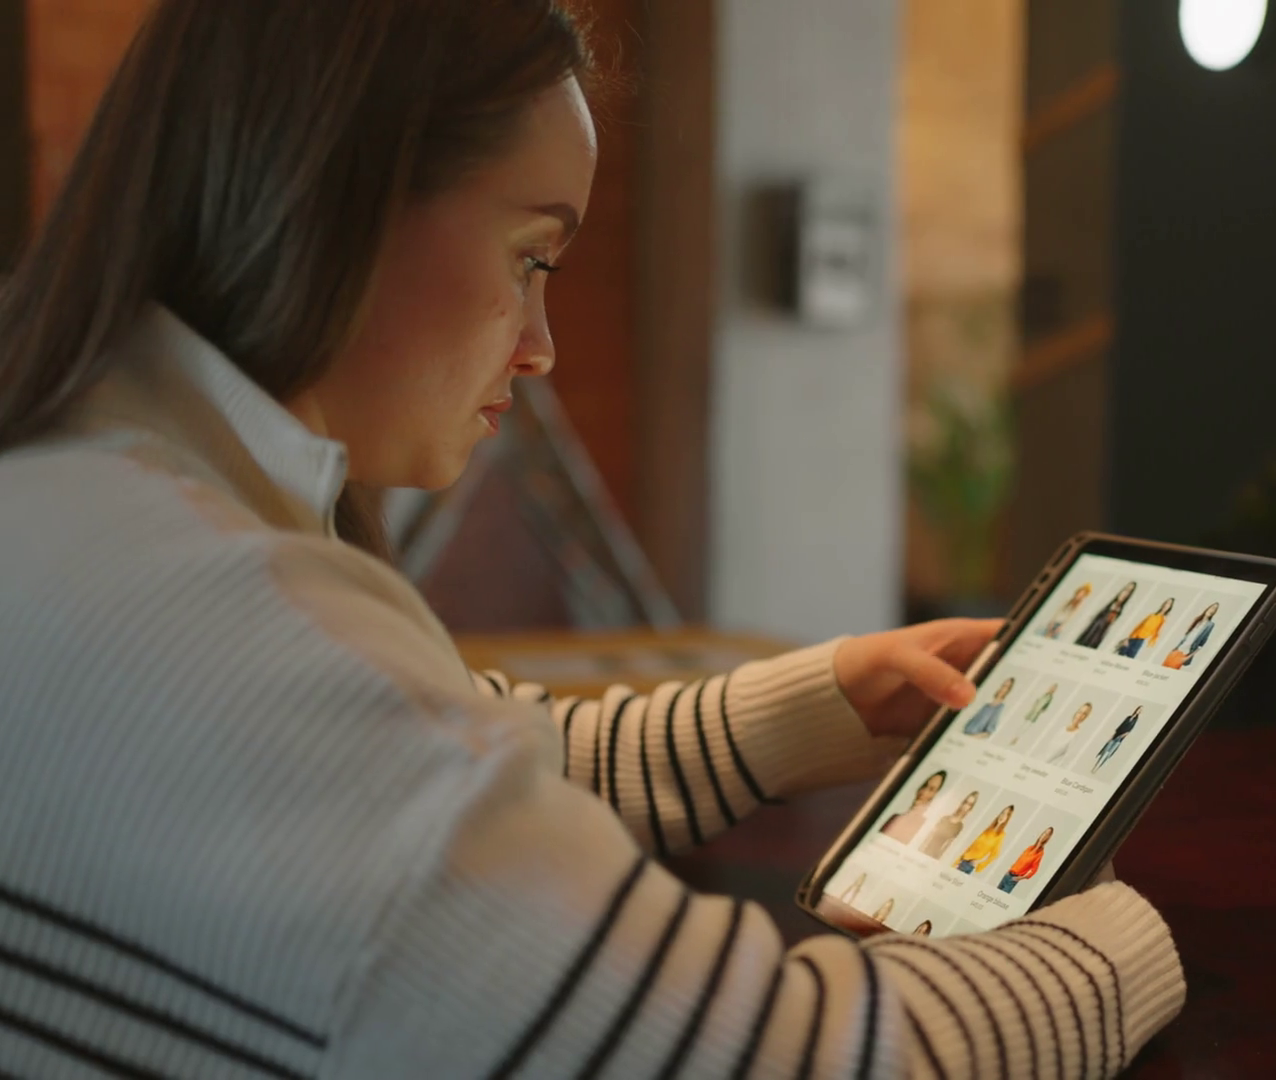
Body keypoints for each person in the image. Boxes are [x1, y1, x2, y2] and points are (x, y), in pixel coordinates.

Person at [0, 2, 1185, 1076]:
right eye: (531, 258)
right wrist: (1123, 932)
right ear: (335, 197)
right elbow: (788, 1057)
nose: (542, 342)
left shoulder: (88, 495)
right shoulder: (232, 621)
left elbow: (466, 764)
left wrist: (823, 700)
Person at [879, 769, 945, 842]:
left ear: (936, 795)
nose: (923, 792)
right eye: (925, 785)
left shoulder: (923, 825)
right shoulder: (897, 814)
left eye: (931, 789)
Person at [955, 806, 1017, 874]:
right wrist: (957, 861)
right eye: (1002, 813)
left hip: (970, 865)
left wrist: (981, 863)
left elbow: (995, 854)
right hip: (963, 860)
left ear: (1007, 818)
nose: (1003, 816)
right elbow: (972, 846)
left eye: (1006, 815)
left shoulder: (1001, 835)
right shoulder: (987, 829)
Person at [918, 790, 979, 860]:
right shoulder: (945, 818)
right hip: (924, 849)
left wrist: (937, 859)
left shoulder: (959, 826)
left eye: (969, 804)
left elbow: (947, 845)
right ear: (962, 803)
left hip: (934, 856)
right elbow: (930, 835)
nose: (965, 806)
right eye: (966, 802)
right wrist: (920, 849)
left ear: (970, 808)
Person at [1075, 581, 1137, 649]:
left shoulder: (1120, 608)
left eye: (1129, 592)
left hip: (1101, 631)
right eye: (1126, 590)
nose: (1125, 594)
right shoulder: (1110, 602)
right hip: (1094, 626)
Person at [1164, 602, 1221, 669]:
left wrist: (1190, 656)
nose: (1212, 610)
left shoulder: (1210, 625)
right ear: (1208, 608)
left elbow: (1202, 643)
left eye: (1215, 610)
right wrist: (1174, 649)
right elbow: (1186, 636)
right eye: (1212, 608)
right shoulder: (1197, 619)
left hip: (1185, 653)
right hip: (1177, 650)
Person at [999, 826, 1054, 893]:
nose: (1044, 835)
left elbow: (1034, 870)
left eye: (1047, 834)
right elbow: (1019, 860)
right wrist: (1009, 870)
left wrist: (1021, 878)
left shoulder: (1040, 853)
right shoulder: (1030, 848)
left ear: (1048, 838)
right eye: (1044, 832)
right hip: (1007, 875)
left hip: (1013, 879)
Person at [1094, 707, 1144, 772]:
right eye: (1138, 709)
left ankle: (1098, 769)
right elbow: (1120, 726)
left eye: (1140, 710)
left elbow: (1129, 731)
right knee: (1105, 750)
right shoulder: (1128, 717)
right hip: (1116, 735)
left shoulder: (1135, 721)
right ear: (1136, 709)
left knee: (1109, 753)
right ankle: (1096, 765)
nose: (1138, 711)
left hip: (1120, 739)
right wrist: (1113, 735)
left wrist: (1123, 735)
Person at [1007, 682, 1056, 746]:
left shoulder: (1050, 698)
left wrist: (1041, 710)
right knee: (1022, 724)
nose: (1052, 689)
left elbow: (1046, 707)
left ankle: (1017, 739)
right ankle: (1013, 737)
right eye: (1052, 687)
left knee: (1027, 726)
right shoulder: (1043, 694)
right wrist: (1034, 706)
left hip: (1036, 713)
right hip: (1032, 710)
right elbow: (1036, 700)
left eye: (1054, 689)